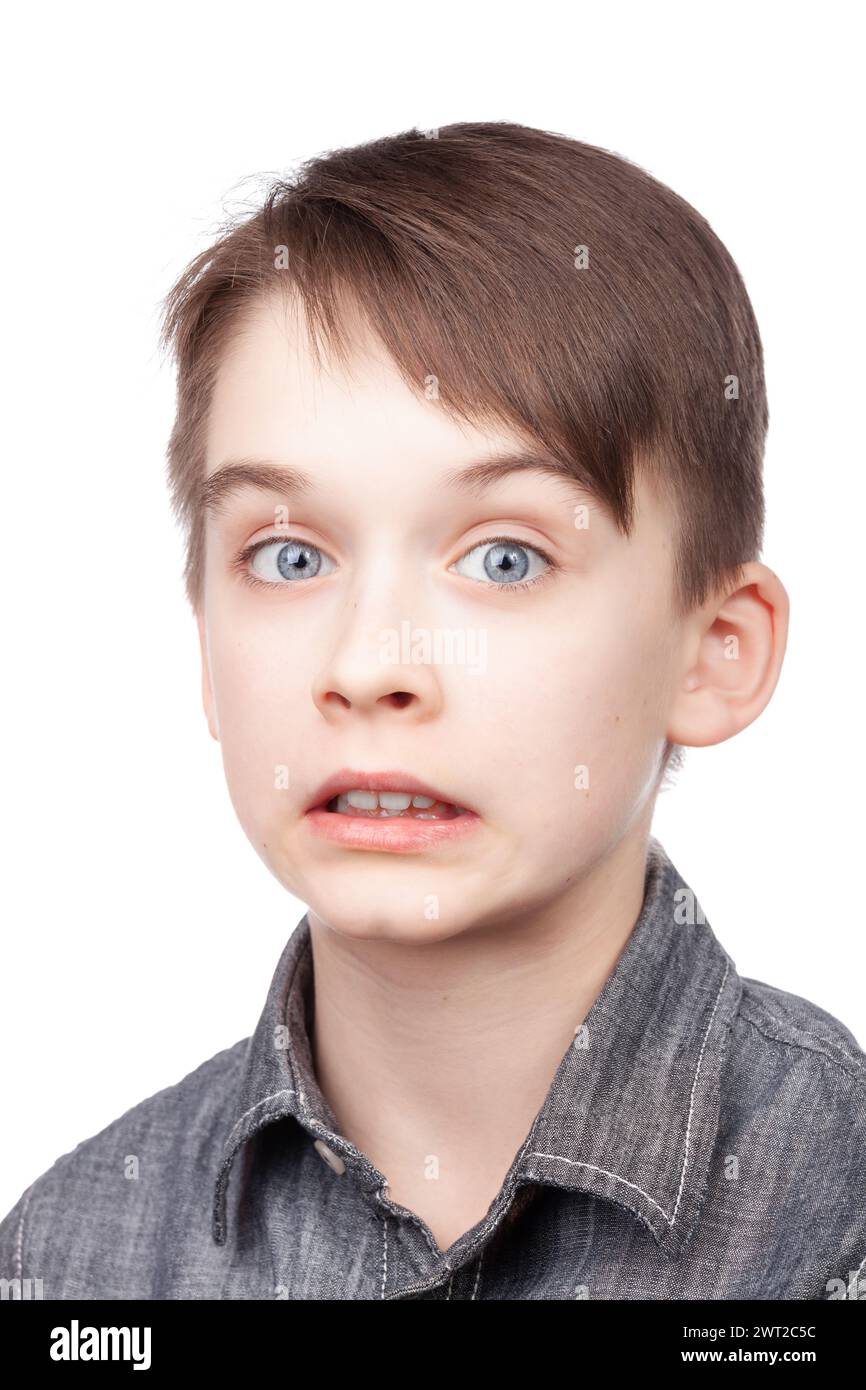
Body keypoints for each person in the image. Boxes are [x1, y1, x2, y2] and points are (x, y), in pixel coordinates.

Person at [2, 121, 863, 1301]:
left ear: (712, 651)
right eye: (290, 557)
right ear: (206, 640)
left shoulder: (837, 1206)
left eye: (503, 558)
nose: (368, 664)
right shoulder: (71, 1258)